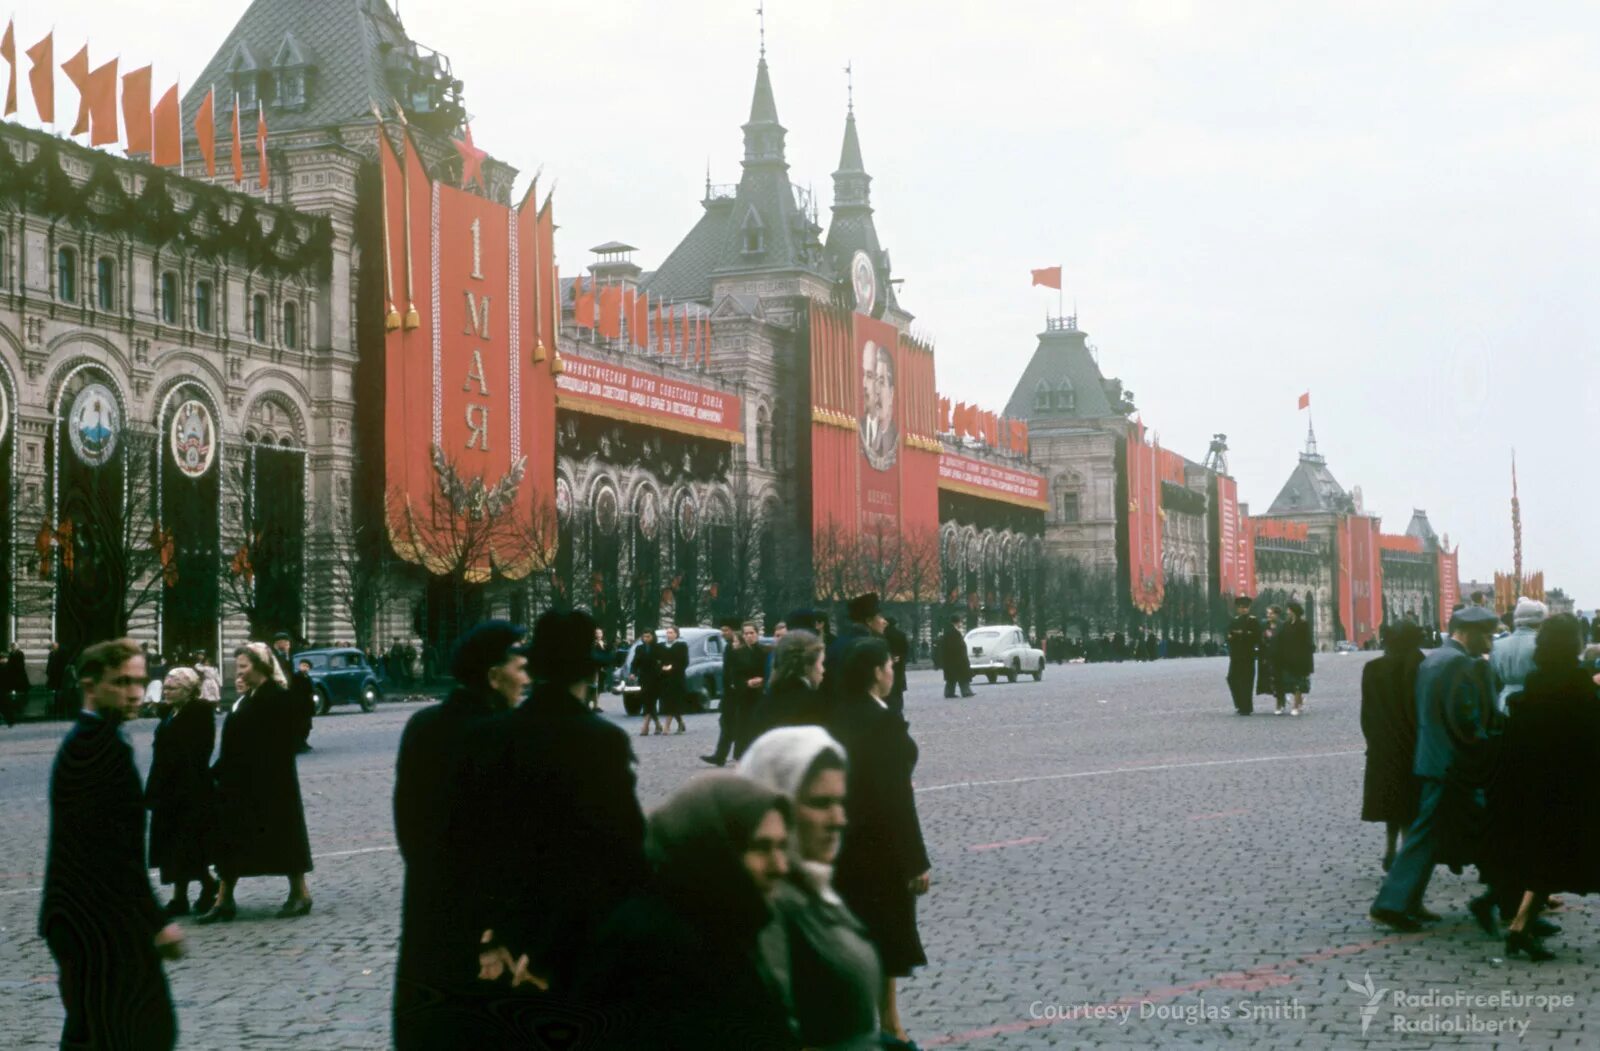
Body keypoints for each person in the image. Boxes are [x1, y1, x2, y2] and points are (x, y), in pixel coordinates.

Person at [451, 609, 649, 1003]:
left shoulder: (492, 735)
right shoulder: (601, 741)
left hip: (516, 925)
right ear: (590, 673)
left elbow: (475, 842)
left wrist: (492, 931)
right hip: (585, 926)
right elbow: (625, 846)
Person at [574, 773, 797, 1050]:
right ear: (716, 848)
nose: (780, 866)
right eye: (760, 848)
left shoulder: (722, 919)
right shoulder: (660, 948)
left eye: (782, 847)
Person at [40, 638, 183, 1050]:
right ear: (91, 684)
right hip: (98, 923)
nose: (136, 692)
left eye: (140, 682)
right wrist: (157, 922)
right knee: (142, 1031)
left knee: (95, 1032)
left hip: (77, 918)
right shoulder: (102, 748)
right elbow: (116, 854)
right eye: (122, 682)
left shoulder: (91, 740)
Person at [393, 620, 528, 1047]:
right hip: (486, 928)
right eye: (520, 667)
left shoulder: (423, 726)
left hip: (429, 910)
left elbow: (409, 827)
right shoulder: (503, 735)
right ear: (493, 676)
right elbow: (504, 844)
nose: (526, 679)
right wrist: (494, 931)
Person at [741, 726, 885, 1051]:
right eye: (820, 803)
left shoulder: (813, 886)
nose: (839, 819)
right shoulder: (770, 903)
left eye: (840, 801)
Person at [1370, 605, 1502, 932]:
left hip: (1433, 758)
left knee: (1431, 835)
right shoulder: (1458, 663)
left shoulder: (1434, 659)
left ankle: (1408, 902)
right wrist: (1487, 741)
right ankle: (1392, 903)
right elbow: (1464, 716)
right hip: (1452, 764)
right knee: (1429, 835)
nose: (1490, 640)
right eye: (1486, 633)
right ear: (1467, 632)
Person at [828, 638, 931, 1048]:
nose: (893, 671)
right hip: (880, 846)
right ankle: (887, 1025)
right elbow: (896, 798)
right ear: (876, 672)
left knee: (863, 934)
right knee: (884, 937)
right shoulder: (882, 720)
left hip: (848, 842)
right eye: (890, 665)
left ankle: (882, 1022)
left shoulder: (839, 714)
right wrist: (916, 860)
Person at [1483, 614, 1600, 961]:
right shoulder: (1578, 685)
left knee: (1545, 856)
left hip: (1531, 783)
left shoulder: (1535, 683)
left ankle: (1520, 924)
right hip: (1569, 784)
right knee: (1558, 855)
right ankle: (1520, 926)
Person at [200, 642, 313, 922]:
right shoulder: (248, 697)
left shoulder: (277, 697)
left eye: (243, 666)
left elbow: (285, 739)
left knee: (283, 837)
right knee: (231, 837)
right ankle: (224, 899)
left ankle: (300, 894)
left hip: (271, 782)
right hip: (239, 781)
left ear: (260, 666)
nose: (238, 671)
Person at [146, 666, 220, 919]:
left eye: (173, 688)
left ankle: (209, 885)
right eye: (165, 687)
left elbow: (197, 751)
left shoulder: (199, 713)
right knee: (172, 845)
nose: (166, 692)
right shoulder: (170, 713)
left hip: (189, 788)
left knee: (188, 844)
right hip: (167, 788)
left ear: (188, 690)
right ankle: (180, 897)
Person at [1360, 621, 1427, 873]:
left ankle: (1390, 847)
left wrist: (1372, 739)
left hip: (1383, 742)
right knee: (1410, 802)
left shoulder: (1373, 668)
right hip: (1412, 741)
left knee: (1390, 800)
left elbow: (1367, 711)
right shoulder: (1420, 666)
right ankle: (1406, 853)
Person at [706, 621, 769, 767]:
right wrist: (746, 683)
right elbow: (734, 676)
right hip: (744, 696)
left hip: (761, 695)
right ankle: (741, 756)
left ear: (757, 634)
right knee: (743, 727)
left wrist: (763, 680)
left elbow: (771, 671)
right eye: (746, 633)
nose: (749, 636)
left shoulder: (766, 651)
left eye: (751, 633)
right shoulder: (738, 654)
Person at [748, 630, 829, 740]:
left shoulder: (763, 707)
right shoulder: (818, 707)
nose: (823, 670)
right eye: (821, 663)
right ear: (808, 665)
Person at [1490, 597, 1546, 715]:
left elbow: (1493, 678)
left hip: (1504, 701)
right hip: (1535, 700)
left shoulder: (1496, 645)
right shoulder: (1543, 644)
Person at [1277, 601, 1314, 716]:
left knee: (1298, 682)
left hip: (1300, 657)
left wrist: (1306, 656)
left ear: (1293, 611)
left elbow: (1307, 641)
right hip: (1288, 658)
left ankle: (1295, 706)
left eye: (1288, 609)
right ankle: (1299, 700)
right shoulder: (1286, 624)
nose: (1287, 611)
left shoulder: (1303, 624)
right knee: (1291, 683)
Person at [1225, 597, 1259, 715]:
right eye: (1240, 607)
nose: (1243, 609)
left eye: (1245, 607)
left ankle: (1246, 707)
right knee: (1232, 679)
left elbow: (1256, 636)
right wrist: (1232, 636)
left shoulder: (1252, 621)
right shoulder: (1234, 620)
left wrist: (1241, 634)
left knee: (1246, 682)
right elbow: (1229, 635)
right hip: (1235, 656)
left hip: (1248, 655)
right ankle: (1239, 703)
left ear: (1248, 608)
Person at [659, 625, 690, 735]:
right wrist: (662, 667)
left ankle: (666, 727)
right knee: (669, 702)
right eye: (667, 632)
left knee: (674, 701)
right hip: (665, 678)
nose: (669, 635)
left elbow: (684, 661)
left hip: (677, 678)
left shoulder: (681, 646)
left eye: (671, 632)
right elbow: (659, 660)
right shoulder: (662, 646)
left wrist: (672, 667)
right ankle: (681, 723)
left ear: (676, 634)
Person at [635, 628, 664, 737]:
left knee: (650, 701)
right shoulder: (640, 648)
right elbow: (635, 662)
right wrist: (633, 672)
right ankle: (657, 724)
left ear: (653, 637)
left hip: (656, 678)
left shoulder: (658, 647)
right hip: (643, 678)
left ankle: (645, 727)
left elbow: (662, 661)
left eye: (648, 637)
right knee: (648, 701)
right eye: (644, 637)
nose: (646, 639)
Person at [937, 619, 973, 699]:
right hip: (957, 659)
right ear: (956, 622)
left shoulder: (948, 632)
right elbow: (957, 647)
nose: (961, 624)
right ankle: (966, 692)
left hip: (950, 660)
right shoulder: (954, 633)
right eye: (960, 622)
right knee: (962, 677)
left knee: (951, 678)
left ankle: (949, 692)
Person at [1258, 606, 1284, 713]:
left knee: (1279, 679)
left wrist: (1272, 636)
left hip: (1279, 656)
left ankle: (1279, 702)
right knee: (1271, 679)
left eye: (1270, 613)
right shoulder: (1264, 625)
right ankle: (1279, 697)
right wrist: (1264, 636)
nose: (1268, 615)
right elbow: (1260, 638)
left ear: (1276, 614)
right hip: (1267, 656)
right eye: (1267, 613)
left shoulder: (1282, 625)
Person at [883, 616, 910, 715]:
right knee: (898, 683)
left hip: (885, 662)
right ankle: (899, 704)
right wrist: (902, 659)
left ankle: (888, 703)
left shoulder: (882, 635)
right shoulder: (901, 634)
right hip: (899, 663)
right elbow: (906, 649)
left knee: (887, 683)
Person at [4, 642, 29, 726]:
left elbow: (20, 663)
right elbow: (10, 662)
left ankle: (20, 704)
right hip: (12, 673)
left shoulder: (20, 653)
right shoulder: (11, 653)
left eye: (14, 646)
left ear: (17, 647)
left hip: (19, 673)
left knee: (20, 687)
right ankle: (15, 703)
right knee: (12, 687)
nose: (12, 648)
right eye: (12, 646)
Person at [589, 626, 612, 712]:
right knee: (595, 685)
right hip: (595, 668)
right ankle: (593, 704)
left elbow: (607, 654)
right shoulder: (593, 644)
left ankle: (596, 704)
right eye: (597, 633)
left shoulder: (604, 643)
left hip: (602, 668)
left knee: (599, 687)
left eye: (600, 633)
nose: (598, 635)